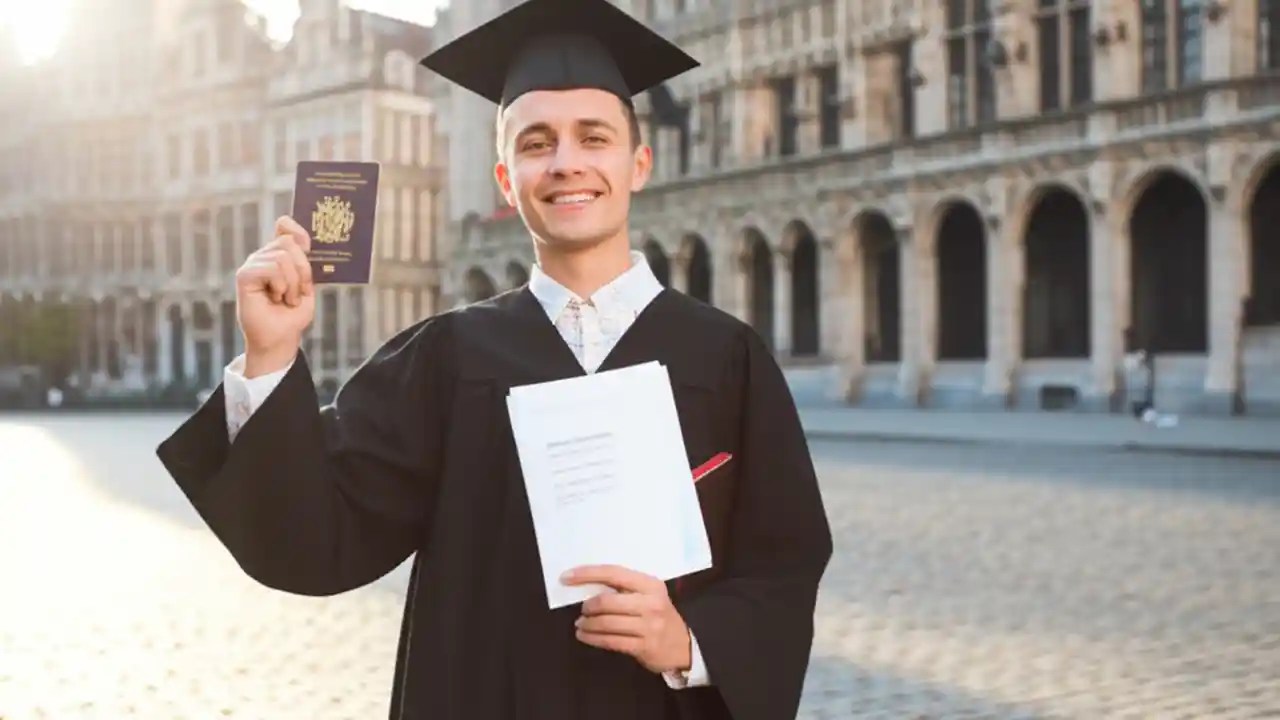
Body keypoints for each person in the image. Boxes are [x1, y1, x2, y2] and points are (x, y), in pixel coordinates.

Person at [154, 0, 833, 718]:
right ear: (507, 181)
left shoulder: (726, 357)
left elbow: (783, 563)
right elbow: (314, 536)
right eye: (536, 143)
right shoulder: (447, 358)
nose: (566, 162)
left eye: (592, 137)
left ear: (638, 164)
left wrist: (691, 640)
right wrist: (271, 352)